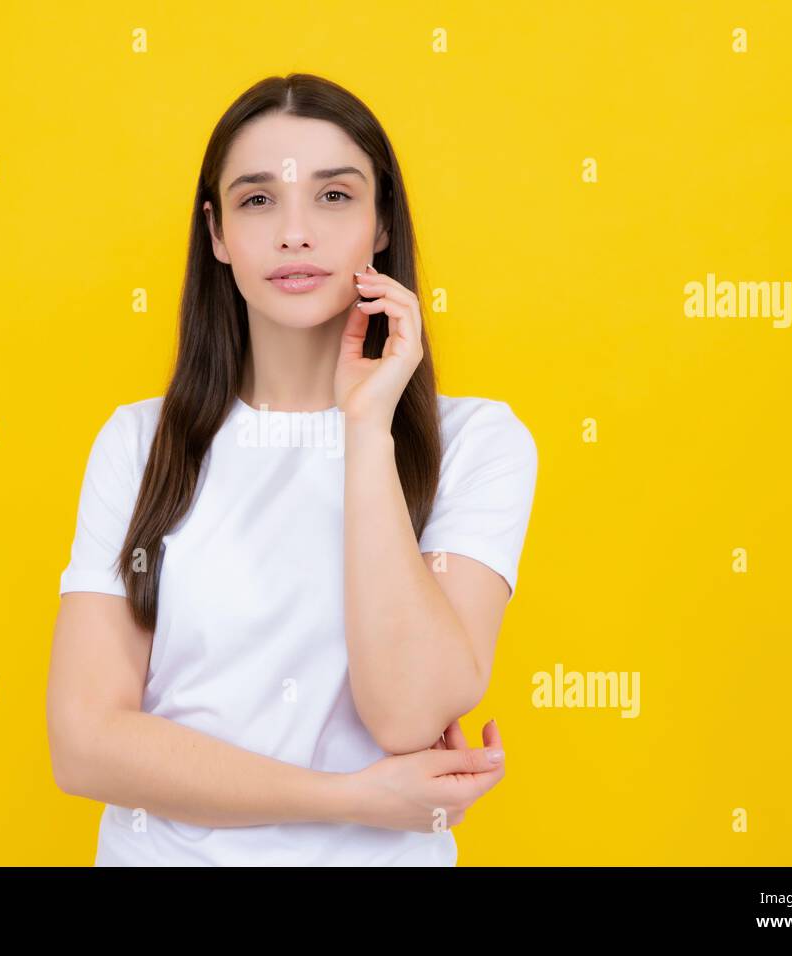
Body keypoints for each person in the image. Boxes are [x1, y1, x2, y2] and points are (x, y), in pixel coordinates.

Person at [46, 73, 539, 866]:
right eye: (257, 200)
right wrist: (348, 799)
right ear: (217, 234)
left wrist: (367, 428)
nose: (295, 233)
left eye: (335, 197)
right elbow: (85, 745)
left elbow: (408, 713)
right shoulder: (140, 444)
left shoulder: (480, 442)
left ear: (382, 223)